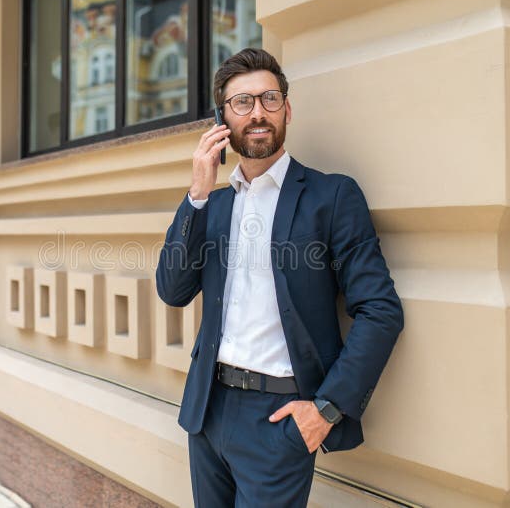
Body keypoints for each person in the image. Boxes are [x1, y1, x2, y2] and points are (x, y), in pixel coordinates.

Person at [156, 48, 404, 507]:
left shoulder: (331, 197)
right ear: (222, 120)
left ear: (287, 109)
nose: (257, 113)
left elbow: (381, 312)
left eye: (269, 99)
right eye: (242, 103)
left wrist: (326, 410)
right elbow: (172, 290)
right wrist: (196, 192)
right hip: (208, 413)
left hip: (279, 423)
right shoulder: (215, 204)